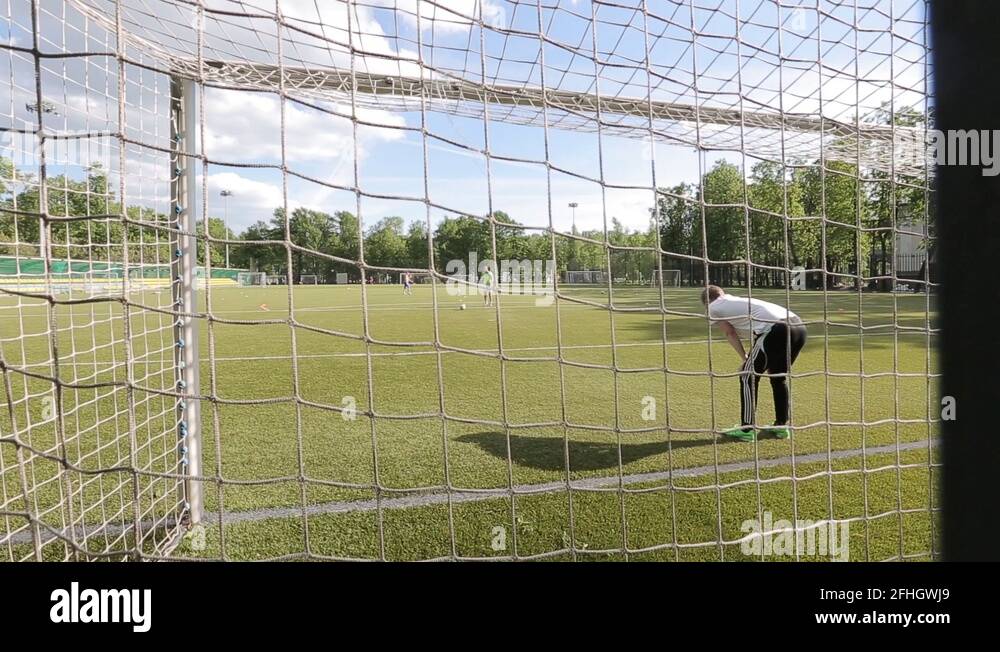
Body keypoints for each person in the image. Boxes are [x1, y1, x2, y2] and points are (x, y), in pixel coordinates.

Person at [702, 285, 807, 441]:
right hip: (798, 326)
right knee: (778, 377)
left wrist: (745, 359)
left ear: (706, 302)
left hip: (776, 329)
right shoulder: (733, 300)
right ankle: (781, 427)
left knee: (747, 375)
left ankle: (747, 430)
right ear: (722, 293)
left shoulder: (713, 307)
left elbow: (729, 332)